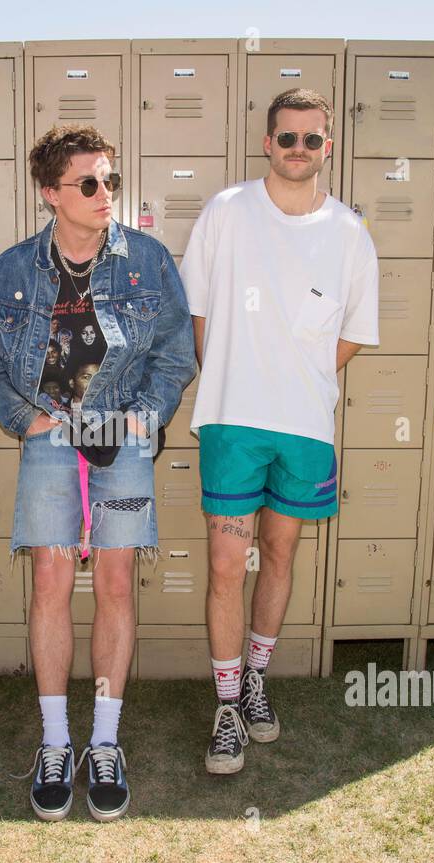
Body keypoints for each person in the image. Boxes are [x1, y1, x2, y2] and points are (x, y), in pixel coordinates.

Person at [0, 124, 196, 821]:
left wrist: (145, 416)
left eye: (111, 181)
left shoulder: (149, 260)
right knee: (50, 581)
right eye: (89, 183)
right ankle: (55, 741)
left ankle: (104, 740)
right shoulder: (10, 269)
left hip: (121, 437)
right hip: (50, 438)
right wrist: (25, 418)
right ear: (50, 194)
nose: (106, 195)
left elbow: (176, 353)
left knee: (117, 580)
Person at [181, 88, 379, 774]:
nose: (300, 150)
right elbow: (198, 315)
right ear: (267, 143)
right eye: (287, 138)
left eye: (312, 139)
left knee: (282, 554)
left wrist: (300, 375)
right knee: (226, 563)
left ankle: (257, 682)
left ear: (329, 146)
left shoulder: (350, 232)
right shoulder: (227, 212)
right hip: (233, 421)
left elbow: (354, 332)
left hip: (303, 427)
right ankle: (228, 704)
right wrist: (240, 374)